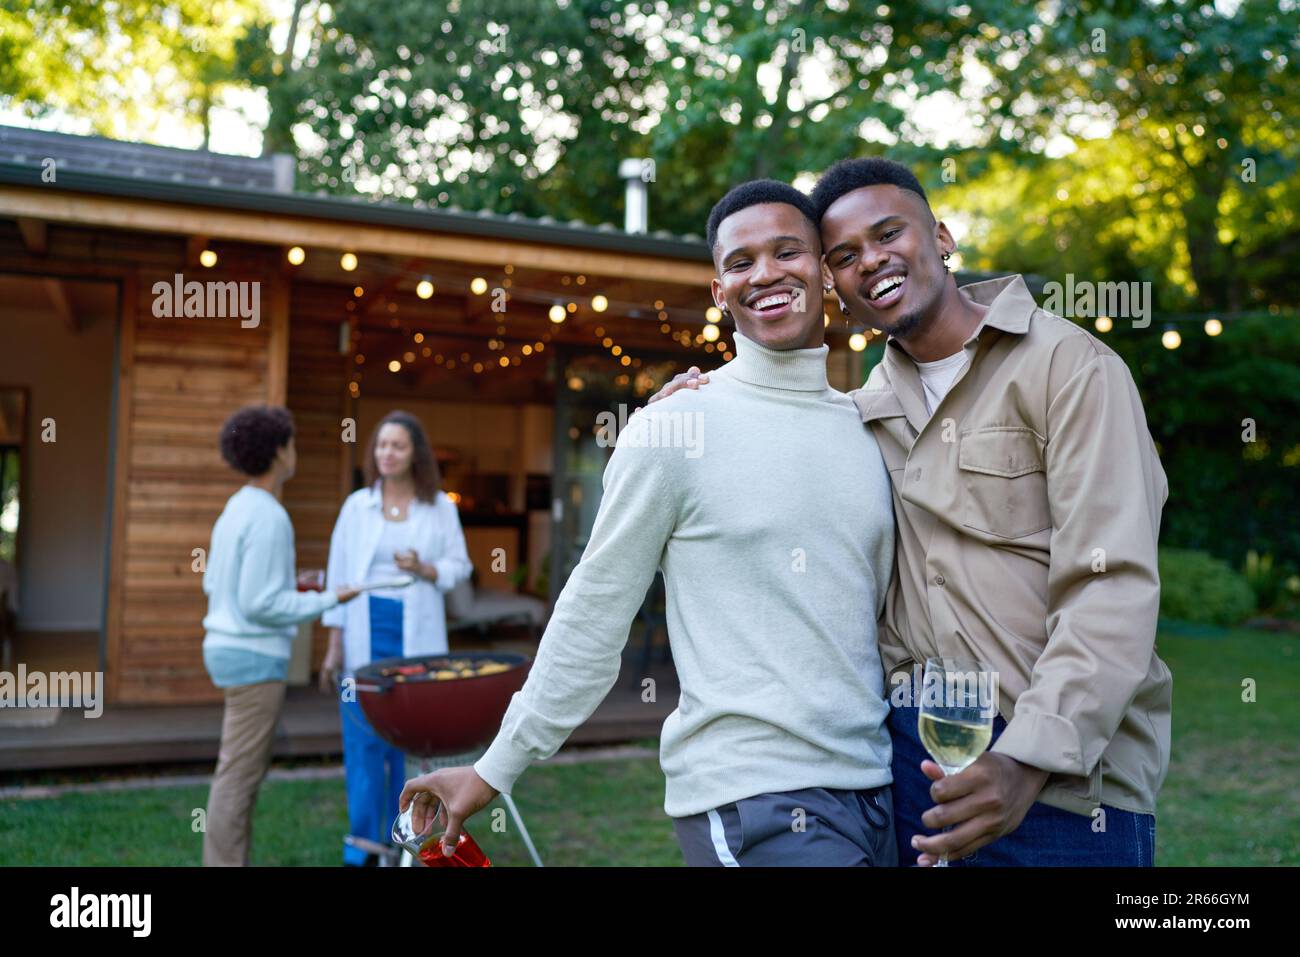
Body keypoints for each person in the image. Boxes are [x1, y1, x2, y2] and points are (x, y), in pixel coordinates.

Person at [652, 158, 1172, 867]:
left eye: (888, 233)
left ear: (943, 236)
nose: (872, 260)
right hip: (912, 776)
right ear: (833, 284)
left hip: (1064, 788)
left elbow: (1111, 585)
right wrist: (691, 404)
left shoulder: (1070, 369)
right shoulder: (862, 411)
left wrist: (1027, 759)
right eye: (844, 255)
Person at [401, 181, 899, 867]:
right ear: (719, 291)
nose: (766, 274)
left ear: (825, 270)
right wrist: (496, 766)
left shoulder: (873, 431)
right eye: (741, 261)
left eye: (788, 251)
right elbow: (594, 611)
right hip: (754, 796)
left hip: (881, 786)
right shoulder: (675, 428)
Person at [201, 404, 360, 867]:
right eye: (291, 443)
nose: (296, 451)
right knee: (238, 777)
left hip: (230, 651)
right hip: (252, 657)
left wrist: (294, 590)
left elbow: (217, 584)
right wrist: (330, 598)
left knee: (237, 771)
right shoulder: (270, 515)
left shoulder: (236, 507)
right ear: (277, 452)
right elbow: (260, 604)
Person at [322, 410, 472, 866]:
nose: (387, 453)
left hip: (416, 636)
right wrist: (333, 644)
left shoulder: (439, 507)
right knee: (364, 743)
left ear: (415, 455)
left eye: (398, 446)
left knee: (409, 746)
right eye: (381, 445)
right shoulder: (356, 506)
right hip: (364, 631)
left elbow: (459, 567)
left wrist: (424, 569)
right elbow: (337, 576)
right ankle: (365, 846)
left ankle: (410, 843)